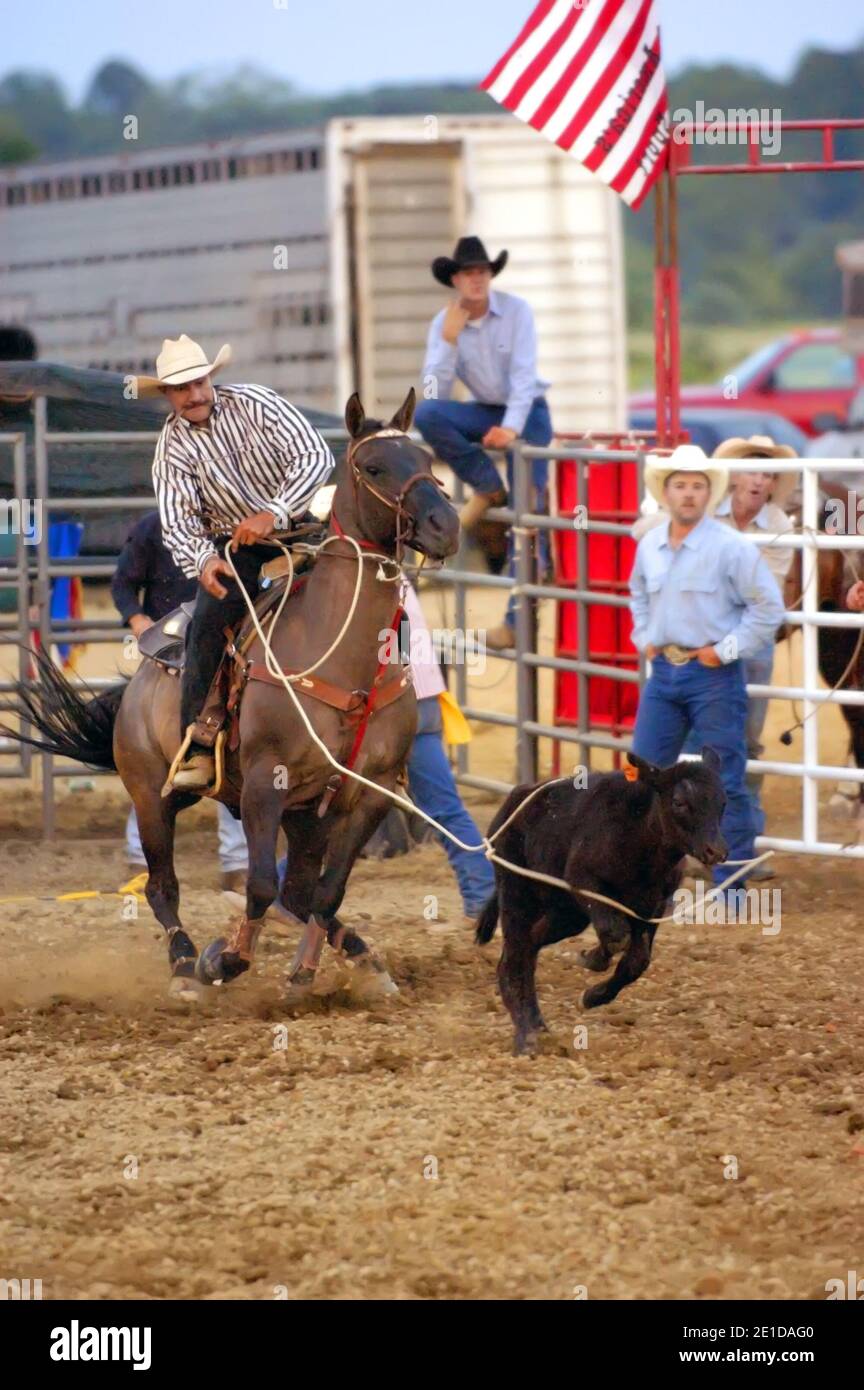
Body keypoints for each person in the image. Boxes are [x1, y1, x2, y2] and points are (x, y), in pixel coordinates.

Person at [137, 334, 334, 790]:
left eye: (199, 382)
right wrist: (205, 561)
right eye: (182, 388)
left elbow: (315, 457)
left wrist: (274, 513)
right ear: (167, 395)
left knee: (379, 587)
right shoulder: (171, 448)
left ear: (211, 379)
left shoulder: (257, 403)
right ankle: (200, 743)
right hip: (238, 551)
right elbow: (178, 520)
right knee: (207, 624)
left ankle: (397, 709)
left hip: (308, 528)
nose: (195, 395)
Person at [261, 581, 496, 926]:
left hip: (396, 708)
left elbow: (389, 656)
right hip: (420, 700)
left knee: (341, 806)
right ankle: (483, 901)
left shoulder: (367, 583)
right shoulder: (390, 578)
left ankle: (283, 889)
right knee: (438, 808)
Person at [629, 445, 786, 909]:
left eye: (698, 486)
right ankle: (641, 876)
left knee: (727, 781)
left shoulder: (731, 548)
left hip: (712, 676)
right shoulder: (650, 546)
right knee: (642, 774)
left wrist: (725, 650)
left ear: (709, 493)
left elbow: (769, 610)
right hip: (664, 674)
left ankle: (732, 890)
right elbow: (637, 595)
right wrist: (646, 638)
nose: (689, 494)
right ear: (667, 492)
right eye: (680, 485)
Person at [413, 236, 553, 650]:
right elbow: (434, 392)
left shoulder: (517, 311)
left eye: (482, 271)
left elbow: (526, 378)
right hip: (485, 408)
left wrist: (511, 427)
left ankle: (518, 618)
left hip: (528, 411)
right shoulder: (444, 324)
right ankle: (488, 484)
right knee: (426, 415)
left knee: (530, 514)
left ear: (490, 275)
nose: (477, 279)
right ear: (455, 279)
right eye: (469, 272)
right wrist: (447, 343)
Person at [111, 509, 249, 889]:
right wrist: (137, 620)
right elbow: (123, 584)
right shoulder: (152, 528)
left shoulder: (235, 525)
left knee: (229, 746)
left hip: (225, 649)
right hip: (170, 653)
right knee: (151, 756)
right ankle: (142, 853)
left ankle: (236, 861)